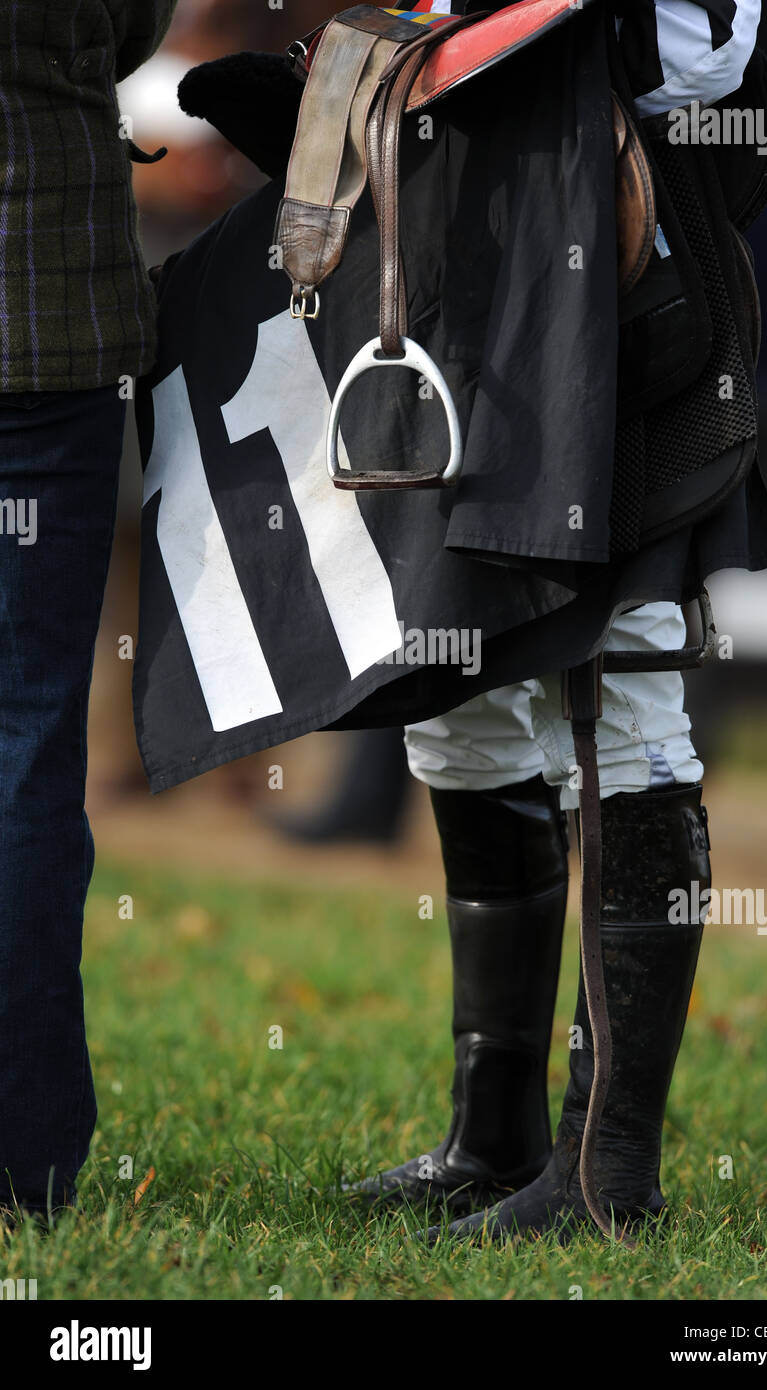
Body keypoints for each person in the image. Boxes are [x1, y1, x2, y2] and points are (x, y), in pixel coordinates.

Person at [345, 0, 767, 1239]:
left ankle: (611, 1172)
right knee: (462, 693)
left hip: (623, 259)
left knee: (620, 697)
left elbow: (708, 61)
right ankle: (495, 1134)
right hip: (455, 248)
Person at [0, 0, 177, 1223]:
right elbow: (128, 22)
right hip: (45, 315)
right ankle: (28, 1157)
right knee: (26, 736)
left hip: (52, 330)